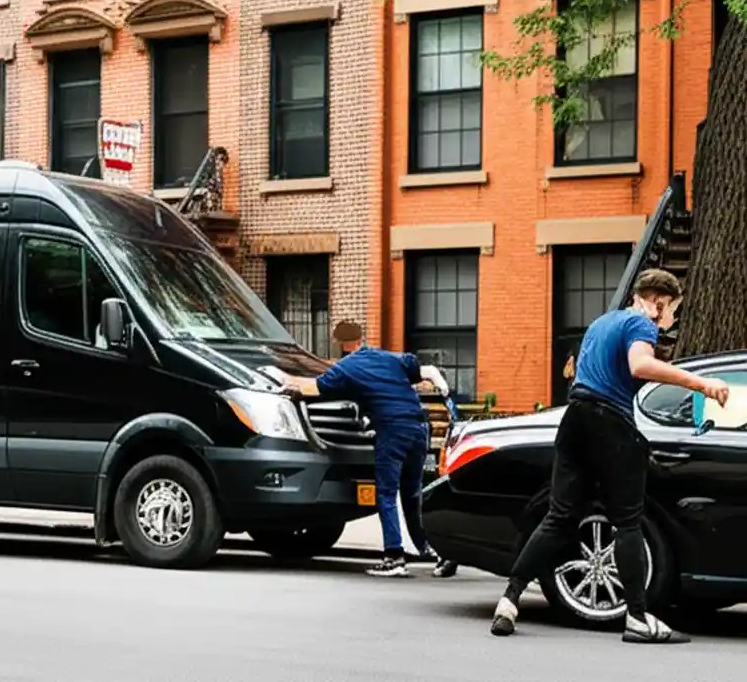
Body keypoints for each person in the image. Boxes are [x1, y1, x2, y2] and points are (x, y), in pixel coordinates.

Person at [490, 269, 729, 644]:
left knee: (559, 516)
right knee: (629, 522)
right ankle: (636, 617)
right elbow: (640, 365)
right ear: (658, 303)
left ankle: (509, 599)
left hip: (574, 421)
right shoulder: (641, 323)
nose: (668, 322)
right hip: (610, 423)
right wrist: (703, 384)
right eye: (670, 313)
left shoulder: (601, 323)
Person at [283, 323, 451, 578]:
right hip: (418, 428)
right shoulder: (387, 357)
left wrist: (286, 386)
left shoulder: (347, 367)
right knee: (412, 494)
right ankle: (435, 551)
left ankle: (394, 557)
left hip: (393, 431)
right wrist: (444, 389)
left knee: (385, 493)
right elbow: (428, 370)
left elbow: (313, 388)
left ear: (341, 343)